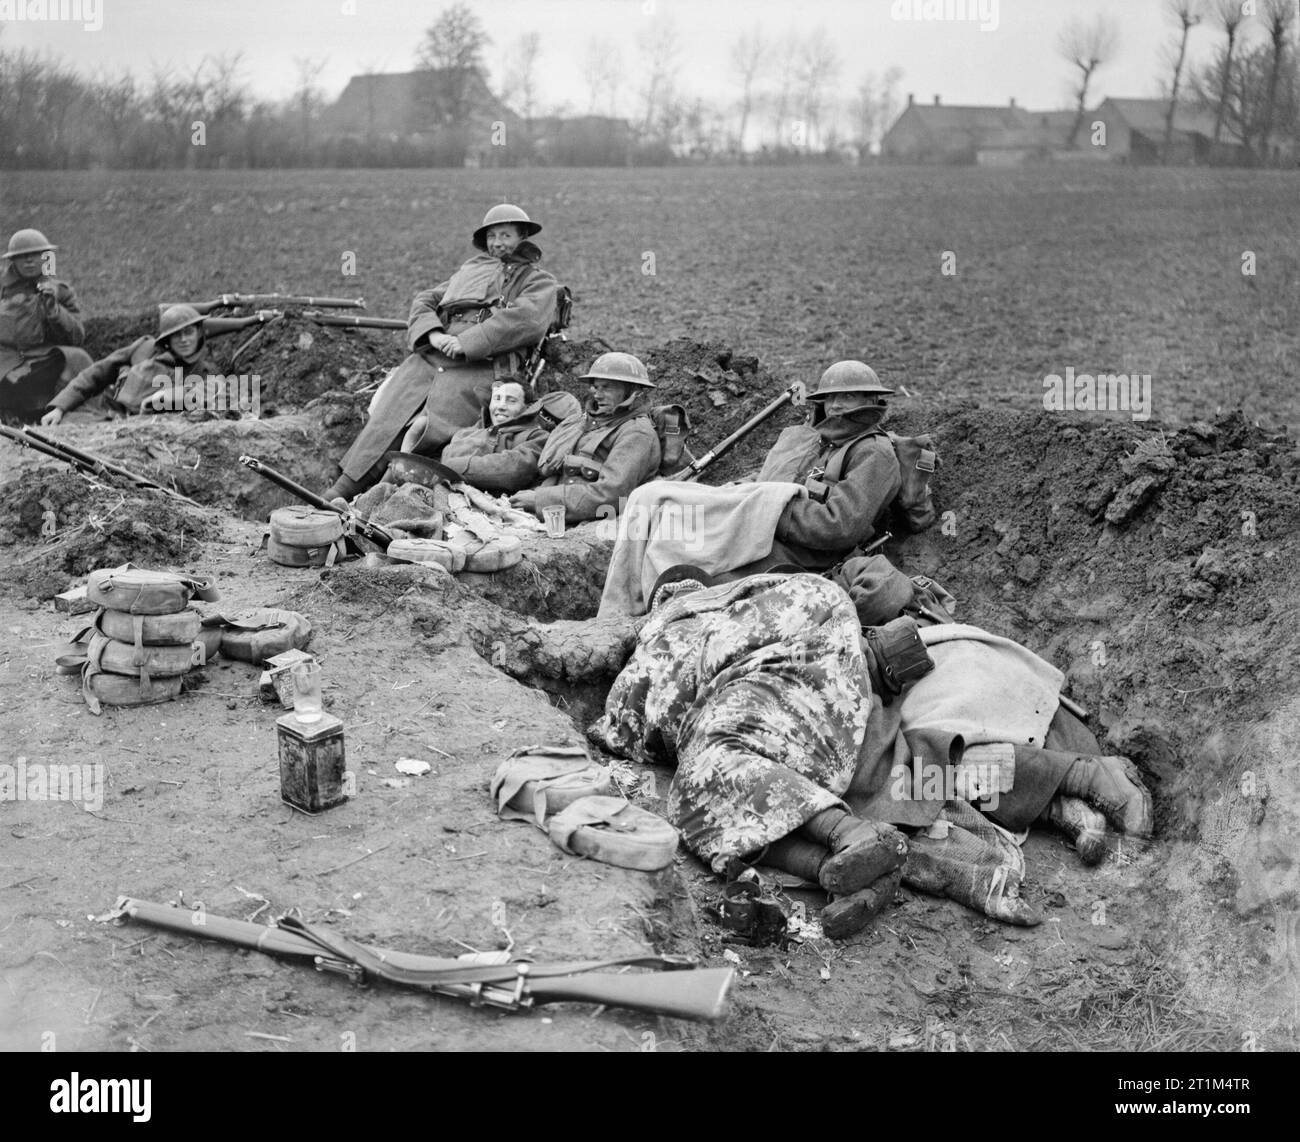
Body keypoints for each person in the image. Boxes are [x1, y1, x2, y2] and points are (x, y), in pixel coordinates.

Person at [323, 203, 559, 501]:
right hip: (433, 357)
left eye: (505, 235)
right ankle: (343, 489)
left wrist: (469, 341)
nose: (497, 243)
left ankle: (380, 494)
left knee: (428, 427)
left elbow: (527, 319)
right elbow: (425, 300)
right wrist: (434, 334)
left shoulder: (538, 280)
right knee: (389, 416)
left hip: (482, 363)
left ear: (522, 236)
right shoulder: (469, 271)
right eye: (492, 236)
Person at [726, 359, 902, 577]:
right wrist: (732, 493)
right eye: (830, 397)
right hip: (770, 536)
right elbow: (774, 477)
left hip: (812, 559)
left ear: (871, 400)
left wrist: (769, 510)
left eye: (847, 396)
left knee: (716, 574)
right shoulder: (821, 442)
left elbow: (839, 526)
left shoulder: (874, 453)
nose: (835, 405)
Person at [40, 304, 277, 423]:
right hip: (105, 417)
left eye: (189, 333)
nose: (184, 340)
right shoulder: (143, 349)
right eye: (177, 335)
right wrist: (60, 407)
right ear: (167, 339)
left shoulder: (206, 372)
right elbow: (95, 374)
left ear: (200, 334)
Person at [510, 351, 662, 527]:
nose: (597, 394)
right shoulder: (588, 422)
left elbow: (610, 495)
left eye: (607, 387)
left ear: (632, 391)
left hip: (592, 525)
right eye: (596, 387)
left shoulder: (637, 433)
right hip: (558, 513)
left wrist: (539, 500)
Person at [0, 229, 92, 424]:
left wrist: (54, 311)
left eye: (35, 255)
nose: (29, 261)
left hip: (41, 360)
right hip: (5, 359)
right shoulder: (2, 290)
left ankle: (55, 408)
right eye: (22, 257)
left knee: (77, 358)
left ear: (45, 258)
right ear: (12, 261)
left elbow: (77, 337)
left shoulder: (60, 291)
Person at [435, 380, 582, 495]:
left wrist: (451, 467)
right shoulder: (466, 432)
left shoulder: (536, 437)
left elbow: (512, 470)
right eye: (497, 398)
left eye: (511, 401)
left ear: (527, 407)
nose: (501, 406)